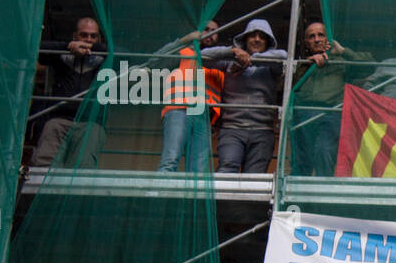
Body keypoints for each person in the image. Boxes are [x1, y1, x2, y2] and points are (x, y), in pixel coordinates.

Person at [201, 18, 286, 174]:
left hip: (263, 131)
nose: (257, 39)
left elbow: (284, 56)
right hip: (232, 129)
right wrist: (232, 52)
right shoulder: (229, 62)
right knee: (227, 169)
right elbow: (202, 56)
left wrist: (248, 60)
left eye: (262, 36)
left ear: (268, 42)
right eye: (252, 35)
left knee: (253, 178)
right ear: (245, 39)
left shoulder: (271, 65)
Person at [31, 17, 109, 168]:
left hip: (90, 123)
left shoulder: (105, 59)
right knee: (45, 164)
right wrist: (68, 46)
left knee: (82, 168)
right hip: (58, 119)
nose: (88, 39)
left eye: (93, 36)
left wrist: (95, 48)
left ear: (99, 38)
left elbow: (126, 53)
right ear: (75, 36)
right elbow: (37, 49)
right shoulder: (63, 55)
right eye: (84, 35)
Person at [291, 20, 366, 176]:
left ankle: (322, 189)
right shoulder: (301, 64)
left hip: (330, 113)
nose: (317, 39)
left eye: (321, 35)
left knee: (324, 151)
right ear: (306, 42)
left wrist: (343, 51)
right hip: (302, 113)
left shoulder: (341, 61)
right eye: (312, 36)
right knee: (302, 159)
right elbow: (284, 86)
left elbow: (370, 65)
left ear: (328, 38)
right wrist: (306, 64)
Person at [157, 45, 223, 172]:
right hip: (179, 108)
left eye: (213, 33)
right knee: (171, 159)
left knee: (199, 169)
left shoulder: (220, 61)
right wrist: (182, 41)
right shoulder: (183, 51)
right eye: (206, 32)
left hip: (203, 116)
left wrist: (217, 123)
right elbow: (156, 60)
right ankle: (163, 185)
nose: (209, 35)